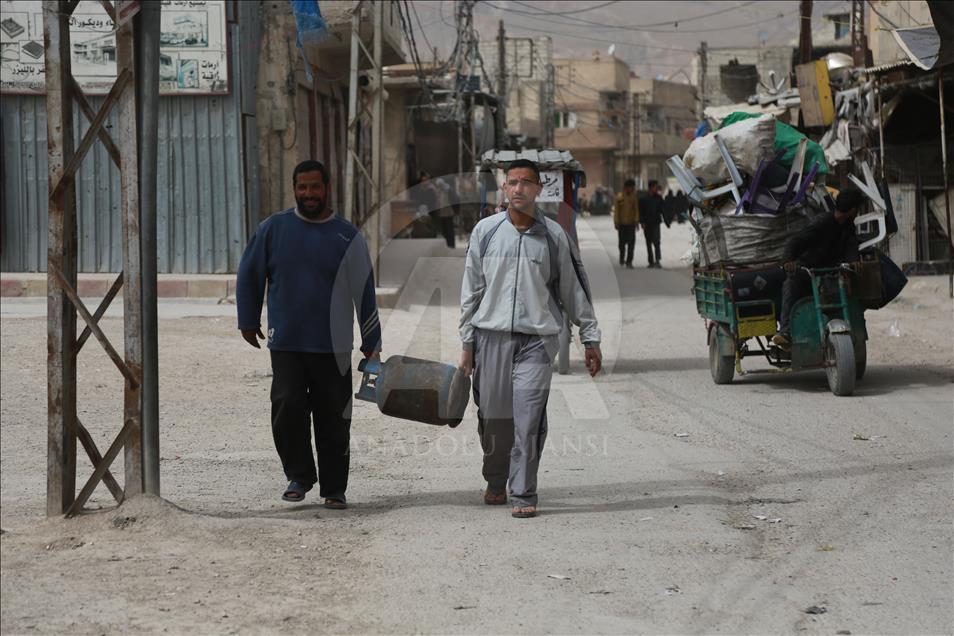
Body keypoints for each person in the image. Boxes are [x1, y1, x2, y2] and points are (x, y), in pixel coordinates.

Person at [458, 159, 603, 519]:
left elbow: (574, 290)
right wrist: (466, 343)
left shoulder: (554, 237)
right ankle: (495, 479)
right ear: (504, 189)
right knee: (493, 418)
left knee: (528, 417)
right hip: (490, 337)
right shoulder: (485, 232)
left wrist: (590, 337)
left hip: (537, 341)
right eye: (512, 182)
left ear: (540, 189)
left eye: (527, 182)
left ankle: (523, 492)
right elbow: (471, 291)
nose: (519, 188)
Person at [236, 159, 382, 509]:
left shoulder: (347, 235)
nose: (309, 194)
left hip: (333, 346)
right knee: (287, 406)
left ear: (327, 187)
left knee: (334, 416)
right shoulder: (273, 229)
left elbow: (364, 291)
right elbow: (250, 274)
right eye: (302, 187)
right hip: (286, 339)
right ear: (294, 188)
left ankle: (334, 487)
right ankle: (299, 475)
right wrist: (247, 319)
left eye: (315, 187)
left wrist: (371, 343)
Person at [771, 187, 864, 350]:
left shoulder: (848, 226)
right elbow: (795, 242)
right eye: (858, 209)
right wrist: (788, 261)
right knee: (790, 286)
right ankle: (785, 332)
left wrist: (853, 260)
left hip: (830, 273)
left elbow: (851, 245)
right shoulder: (822, 222)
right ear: (853, 210)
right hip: (808, 271)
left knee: (848, 294)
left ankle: (851, 333)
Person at [613, 178, 639, 269]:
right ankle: (622, 257)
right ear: (626, 188)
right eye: (630, 187)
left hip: (631, 224)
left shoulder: (634, 197)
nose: (631, 189)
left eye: (632, 188)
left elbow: (636, 210)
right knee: (622, 243)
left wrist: (636, 221)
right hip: (622, 224)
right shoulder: (619, 197)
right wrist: (616, 222)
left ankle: (629, 261)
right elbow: (616, 211)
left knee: (631, 244)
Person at [639, 180, 665, 268]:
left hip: (656, 223)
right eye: (655, 187)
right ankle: (651, 261)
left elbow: (663, 210)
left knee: (657, 242)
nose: (656, 189)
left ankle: (657, 260)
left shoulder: (659, 198)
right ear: (651, 188)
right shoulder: (643, 199)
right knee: (648, 242)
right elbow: (641, 212)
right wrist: (642, 222)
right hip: (647, 224)